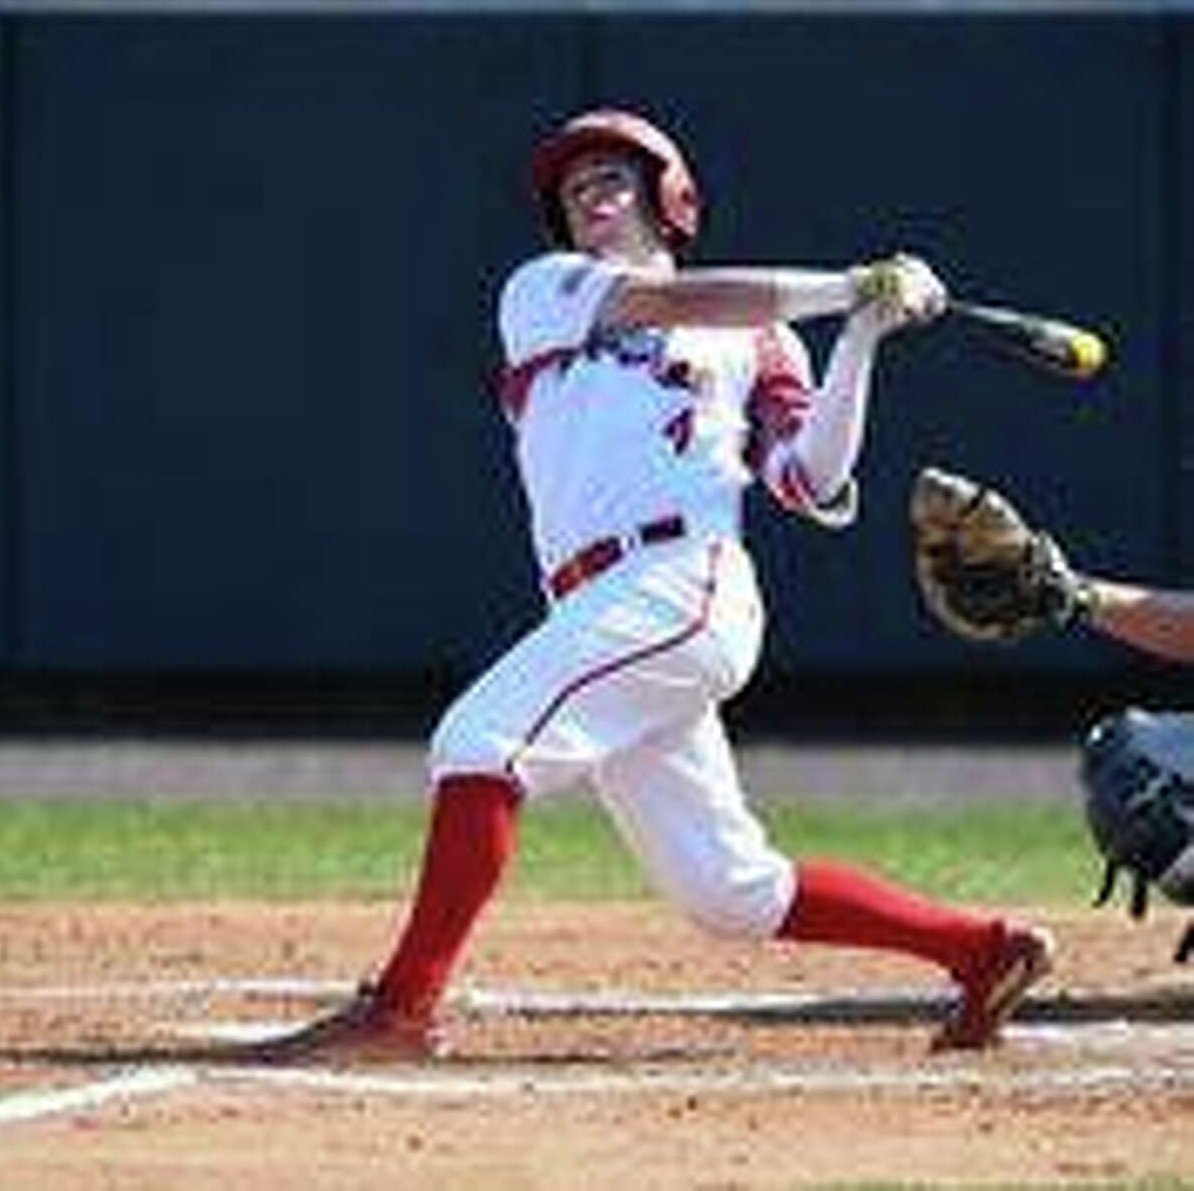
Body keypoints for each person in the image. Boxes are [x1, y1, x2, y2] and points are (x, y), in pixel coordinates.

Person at [258, 107, 1054, 1062]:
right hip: (600, 603)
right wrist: (848, 286)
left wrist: (862, 335)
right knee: (729, 891)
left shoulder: (766, 340)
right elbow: (678, 303)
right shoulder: (546, 289)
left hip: (683, 582)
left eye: (612, 179)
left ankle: (402, 1009)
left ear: (671, 199)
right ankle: (983, 951)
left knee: (481, 742)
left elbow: (811, 480)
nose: (590, 196)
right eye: (575, 189)